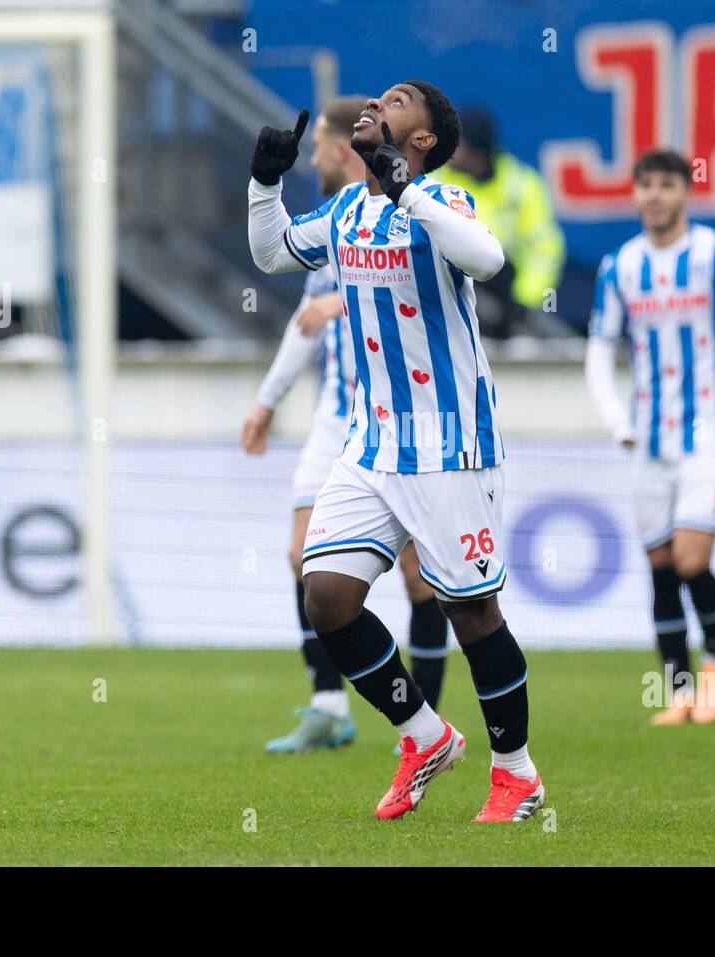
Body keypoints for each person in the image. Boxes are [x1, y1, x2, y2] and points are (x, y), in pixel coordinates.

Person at [247, 81, 546, 822]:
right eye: (379, 97)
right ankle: (425, 734)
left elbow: (487, 258)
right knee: (327, 595)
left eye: (400, 101)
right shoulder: (348, 210)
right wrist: (263, 180)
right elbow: (270, 253)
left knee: (471, 611)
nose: (380, 102)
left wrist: (409, 190)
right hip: (372, 443)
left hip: (449, 446)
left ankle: (517, 772)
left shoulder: (447, 205)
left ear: (421, 142)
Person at [240, 97, 451, 753]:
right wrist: (267, 400)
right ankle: (329, 703)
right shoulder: (330, 220)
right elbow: (302, 320)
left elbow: (463, 283)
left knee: (421, 577)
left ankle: (425, 719)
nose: (324, 155)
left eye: (328, 145)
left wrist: (342, 299)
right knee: (303, 556)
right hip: (340, 418)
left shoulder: (419, 206)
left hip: (411, 420)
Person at [585, 148, 715, 725]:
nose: (655, 196)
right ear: (636, 193)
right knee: (661, 566)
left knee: (692, 559)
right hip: (649, 442)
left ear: (684, 194)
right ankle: (679, 692)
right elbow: (598, 352)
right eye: (646, 186)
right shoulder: (619, 266)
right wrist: (617, 419)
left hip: (714, 439)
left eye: (667, 185)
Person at [437, 107, 565, 338]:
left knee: (553, 331)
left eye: (457, 143)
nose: (449, 149)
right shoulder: (435, 182)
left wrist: (524, 300)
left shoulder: (523, 184)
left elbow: (545, 251)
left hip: (512, 294)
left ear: (477, 149)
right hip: (455, 295)